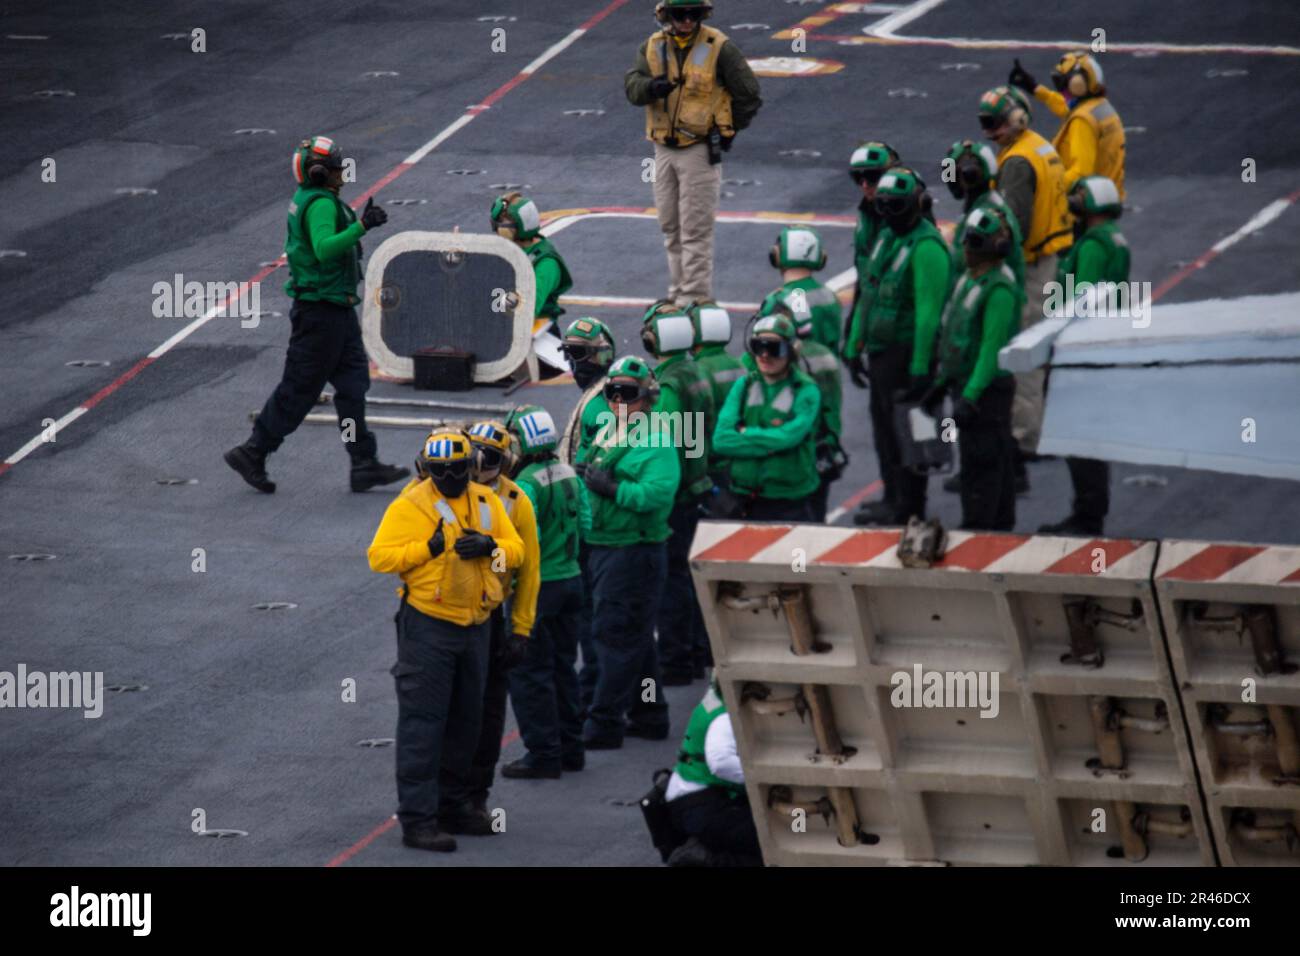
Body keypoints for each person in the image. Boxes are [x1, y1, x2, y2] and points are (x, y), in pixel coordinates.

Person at [366, 429, 525, 852]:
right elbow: (379, 557)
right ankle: (418, 820)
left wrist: (490, 547)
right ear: (429, 470)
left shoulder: (488, 502)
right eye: (441, 471)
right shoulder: (411, 505)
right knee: (423, 724)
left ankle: (454, 806)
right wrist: (428, 548)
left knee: (466, 722)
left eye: (457, 469)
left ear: (470, 466)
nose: (450, 477)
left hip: (476, 625)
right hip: (430, 628)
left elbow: (518, 551)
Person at [226, 135, 408, 494]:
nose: (343, 171)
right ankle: (254, 451)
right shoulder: (320, 205)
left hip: (336, 312)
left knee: (353, 387)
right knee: (300, 388)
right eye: (336, 167)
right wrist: (363, 226)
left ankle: (362, 462)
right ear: (319, 172)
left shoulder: (315, 199)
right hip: (320, 314)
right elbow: (324, 250)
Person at [625, 0, 762, 305]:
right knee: (670, 226)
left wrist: (729, 129)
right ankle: (678, 294)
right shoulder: (652, 46)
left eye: (693, 14)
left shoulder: (719, 47)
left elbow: (749, 93)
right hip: (662, 149)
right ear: (666, 16)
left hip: (698, 150)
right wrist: (650, 88)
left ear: (703, 15)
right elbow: (631, 85)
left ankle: (696, 298)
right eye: (680, 14)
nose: (687, 21)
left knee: (695, 230)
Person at [577, 356, 681, 749]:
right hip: (606, 545)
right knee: (636, 639)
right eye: (613, 392)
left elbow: (658, 492)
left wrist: (613, 489)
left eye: (629, 393)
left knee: (615, 637)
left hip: (633, 551)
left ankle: (603, 722)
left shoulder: (656, 439)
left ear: (647, 397)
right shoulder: (612, 430)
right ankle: (650, 713)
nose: (620, 400)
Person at [842, 167, 950, 526]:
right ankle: (893, 497)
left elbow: (928, 315)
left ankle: (910, 504)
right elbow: (868, 292)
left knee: (910, 432)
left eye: (895, 206)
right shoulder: (887, 237)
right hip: (882, 353)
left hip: (907, 353)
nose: (888, 213)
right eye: (884, 206)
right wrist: (856, 344)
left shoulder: (927, 246)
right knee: (885, 430)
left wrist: (922, 366)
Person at [979, 85, 1073, 491]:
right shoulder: (1040, 145)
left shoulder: (1016, 162)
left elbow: (1013, 222)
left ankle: (1025, 440)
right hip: (1051, 259)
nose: (991, 132)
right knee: (1042, 351)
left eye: (994, 124)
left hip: (1032, 265)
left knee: (1025, 356)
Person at [450, 420, 541, 824]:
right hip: (441, 617)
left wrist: (519, 630)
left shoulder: (516, 501)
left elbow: (528, 570)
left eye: (491, 458)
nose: (481, 465)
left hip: (488, 616)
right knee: (439, 711)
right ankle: (436, 799)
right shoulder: (439, 490)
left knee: (487, 713)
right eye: (476, 455)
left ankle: (474, 797)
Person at [501, 405, 591, 778]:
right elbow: (586, 524)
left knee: (528, 673)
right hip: (571, 581)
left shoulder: (524, 485)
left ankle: (542, 754)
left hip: (539, 589)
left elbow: (526, 543)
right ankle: (572, 748)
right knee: (563, 666)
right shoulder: (571, 474)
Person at [1038, 176, 1129, 536]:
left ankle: (1087, 514)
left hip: (1078, 352)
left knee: (1078, 436)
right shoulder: (1115, 241)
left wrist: (1055, 347)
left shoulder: (1091, 247)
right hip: (1101, 346)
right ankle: (1091, 510)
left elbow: (1080, 303)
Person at [925, 207, 1024, 531]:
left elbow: (990, 349)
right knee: (988, 462)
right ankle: (997, 525)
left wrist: (970, 396)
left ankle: (982, 529)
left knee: (982, 465)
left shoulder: (998, 289)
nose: (965, 248)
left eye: (973, 243)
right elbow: (958, 334)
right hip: (967, 384)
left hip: (987, 391)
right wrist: (943, 381)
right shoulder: (972, 279)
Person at [642, 302, 716, 686]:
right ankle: (699, 649)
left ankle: (675, 659)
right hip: (699, 483)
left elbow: (667, 441)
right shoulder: (696, 371)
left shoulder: (669, 384)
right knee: (689, 576)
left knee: (672, 580)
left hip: (679, 495)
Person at [557, 315, 616, 711]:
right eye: (570, 356)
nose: (574, 365)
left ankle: (594, 692)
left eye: (580, 355)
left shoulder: (601, 405)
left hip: (592, 526)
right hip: (593, 521)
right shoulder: (600, 395)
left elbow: (597, 464)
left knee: (590, 616)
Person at [712, 312, 821, 522]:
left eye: (773, 348)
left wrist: (745, 433)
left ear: (791, 351)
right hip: (743, 497)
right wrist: (771, 444)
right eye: (758, 346)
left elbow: (788, 437)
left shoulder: (805, 391)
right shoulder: (743, 386)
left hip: (788, 503)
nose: (764, 355)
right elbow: (721, 440)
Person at [757, 298, 846, 523]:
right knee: (815, 518)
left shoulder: (776, 360)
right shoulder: (825, 355)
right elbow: (833, 407)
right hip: (822, 449)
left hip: (785, 459)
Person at [664, 676, 762, 867]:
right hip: (701, 805)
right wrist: (768, 776)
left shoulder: (717, 694)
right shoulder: (726, 716)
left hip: (694, 795)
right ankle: (704, 859)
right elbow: (721, 763)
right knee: (767, 838)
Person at [1009, 53, 1126, 200]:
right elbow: (1067, 107)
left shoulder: (1083, 122)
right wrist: (1036, 89)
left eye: (1062, 83)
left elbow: (1081, 173)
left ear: (1077, 85)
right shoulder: (1101, 108)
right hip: (1108, 197)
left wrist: (1046, 187)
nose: (1061, 90)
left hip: (1089, 207)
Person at [845, 141, 901, 384]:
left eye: (872, 177)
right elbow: (864, 280)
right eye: (858, 178)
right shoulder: (866, 214)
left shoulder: (909, 220)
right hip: (878, 328)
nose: (865, 185)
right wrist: (853, 336)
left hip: (902, 332)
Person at [490, 191, 573, 339]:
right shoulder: (506, 249)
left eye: (501, 224)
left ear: (516, 228)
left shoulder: (546, 263)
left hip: (536, 336)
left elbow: (528, 307)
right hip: (503, 325)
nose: (497, 230)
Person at [765, 226, 841, 352]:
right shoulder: (831, 297)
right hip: (829, 368)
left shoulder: (777, 300)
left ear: (777, 256)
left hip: (796, 369)